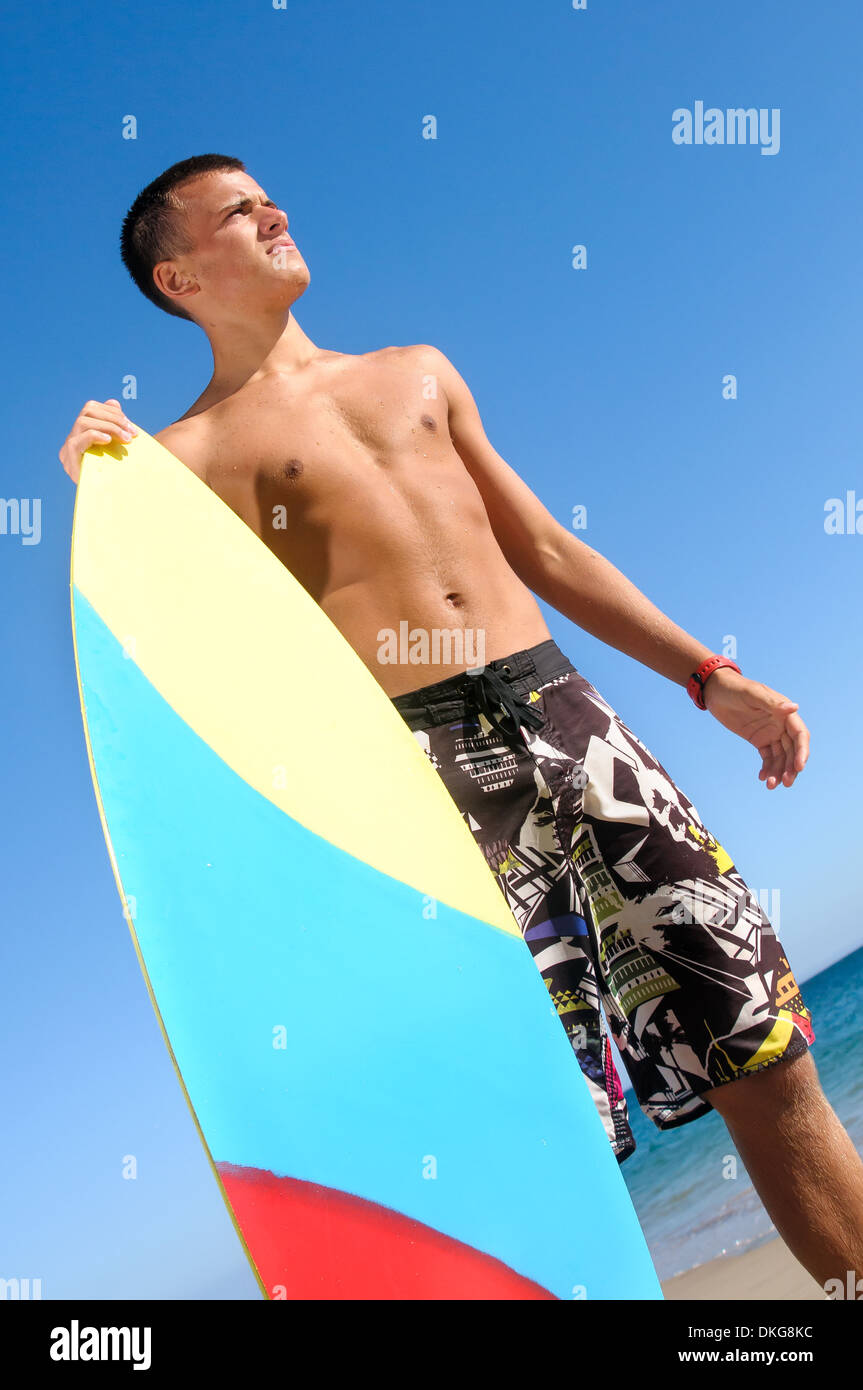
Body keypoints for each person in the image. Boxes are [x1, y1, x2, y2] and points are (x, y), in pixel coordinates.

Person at [60, 153, 863, 1290]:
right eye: (241, 213)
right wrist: (106, 485)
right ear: (178, 277)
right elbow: (182, 659)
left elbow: (544, 550)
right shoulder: (180, 464)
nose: (276, 211)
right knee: (548, 1130)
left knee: (760, 1042)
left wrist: (705, 675)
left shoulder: (413, 370)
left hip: (568, 715)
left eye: (271, 194)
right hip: (425, 779)